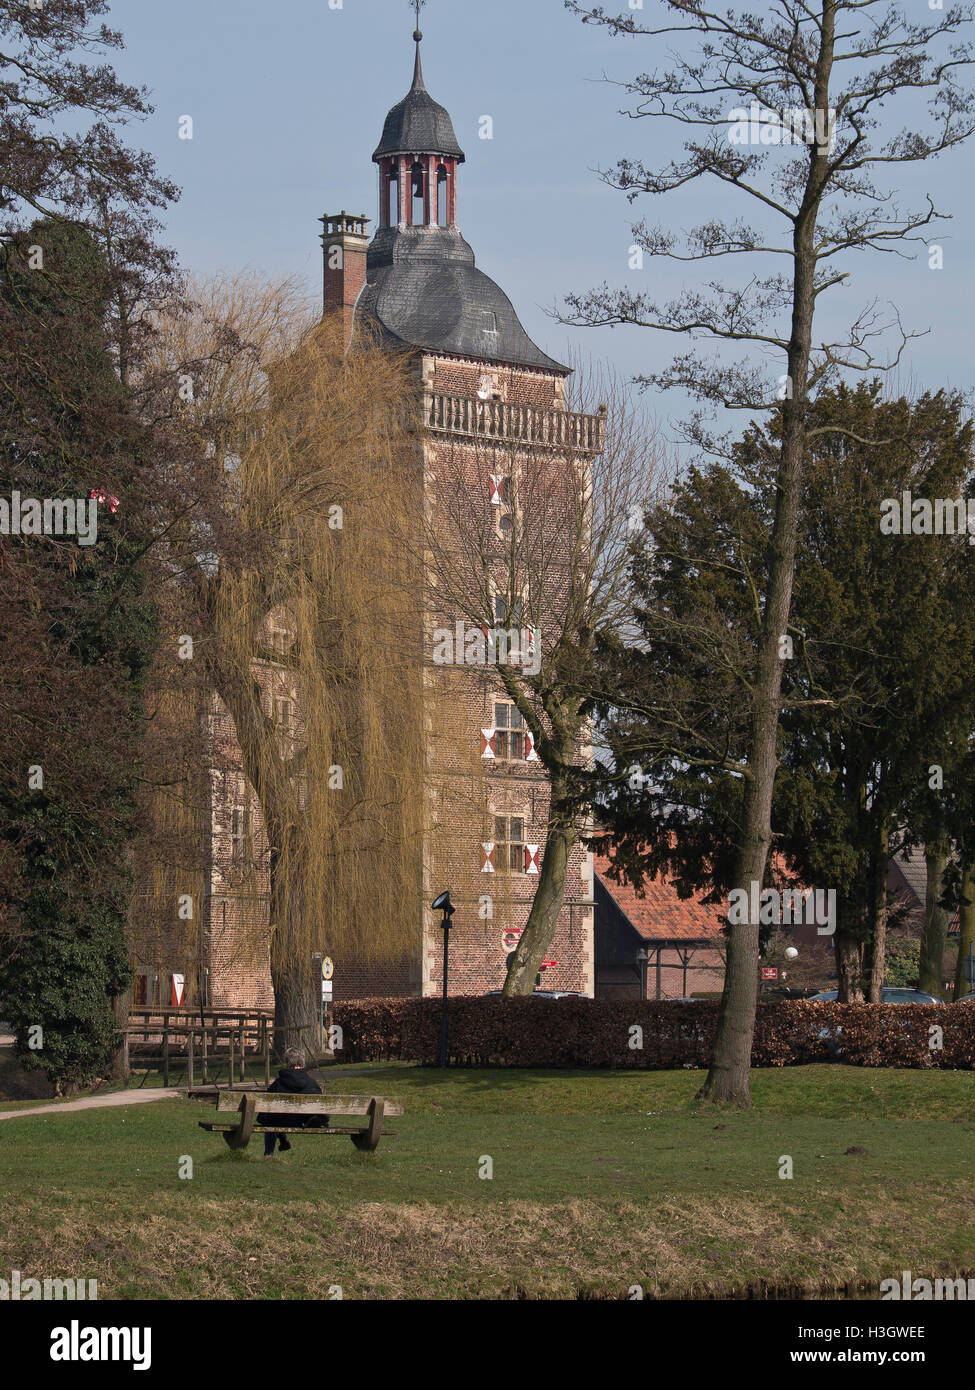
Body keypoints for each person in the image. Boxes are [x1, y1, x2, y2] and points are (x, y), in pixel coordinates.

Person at [259, 1047, 328, 1157]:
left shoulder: (278, 1083)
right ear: (303, 1061)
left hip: (280, 1121)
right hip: (303, 1121)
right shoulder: (311, 1083)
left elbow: (266, 1104)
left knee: (270, 1119)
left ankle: (269, 1153)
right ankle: (281, 1139)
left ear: (287, 1061)